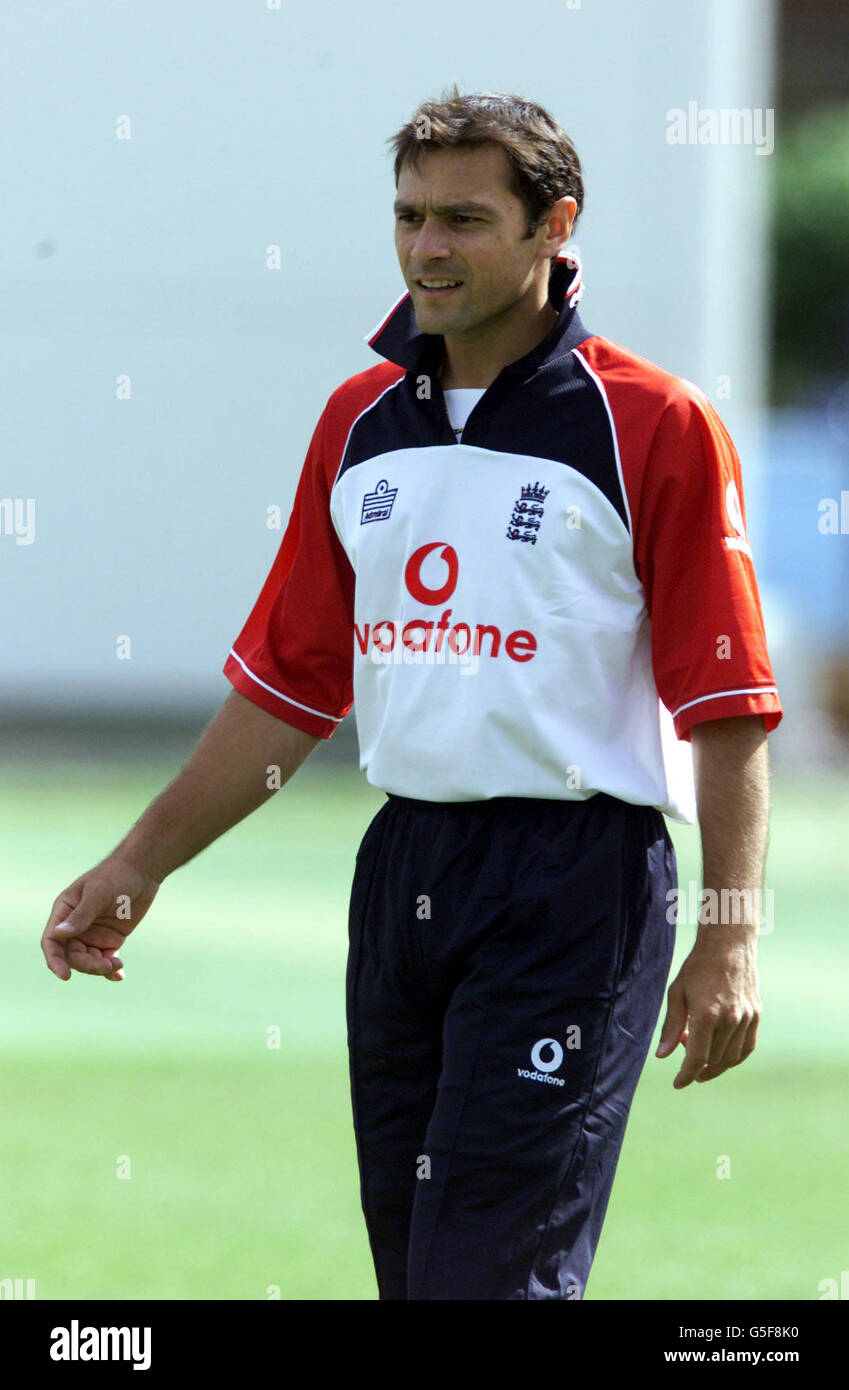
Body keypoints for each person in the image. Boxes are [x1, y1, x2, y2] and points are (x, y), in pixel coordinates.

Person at [41, 86, 783, 1301]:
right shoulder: (358, 421)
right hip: (404, 877)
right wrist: (140, 862)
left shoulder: (653, 423)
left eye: (465, 220)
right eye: (410, 217)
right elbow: (288, 690)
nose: (428, 248)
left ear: (557, 226)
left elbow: (729, 700)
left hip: (574, 885)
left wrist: (732, 933)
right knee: (417, 1274)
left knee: (489, 1279)